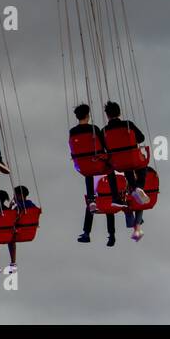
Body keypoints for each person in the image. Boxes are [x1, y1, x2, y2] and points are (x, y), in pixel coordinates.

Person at [70, 104, 115, 245]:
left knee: (90, 178)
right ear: (88, 115)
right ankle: (111, 233)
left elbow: (73, 148)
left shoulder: (72, 132)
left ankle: (91, 202)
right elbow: (103, 144)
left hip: (84, 166)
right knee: (108, 191)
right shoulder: (94, 129)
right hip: (99, 165)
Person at [103, 100, 150, 206]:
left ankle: (134, 189)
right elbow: (141, 138)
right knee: (141, 165)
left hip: (117, 163)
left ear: (107, 115)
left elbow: (103, 147)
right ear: (119, 113)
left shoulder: (104, 131)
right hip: (132, 159)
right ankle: (139, 187)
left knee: (124, 165)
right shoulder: (128, 124)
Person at [7, 184, 40, 273]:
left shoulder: (19, 207)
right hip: (30, 232)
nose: (13, 197)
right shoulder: (32, 205)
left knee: (9, 239)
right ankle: (13, 264)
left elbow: (8, 218)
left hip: (18, 232)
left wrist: (10, 207)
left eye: (14, 195)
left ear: (19, 195)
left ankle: (13, 262)